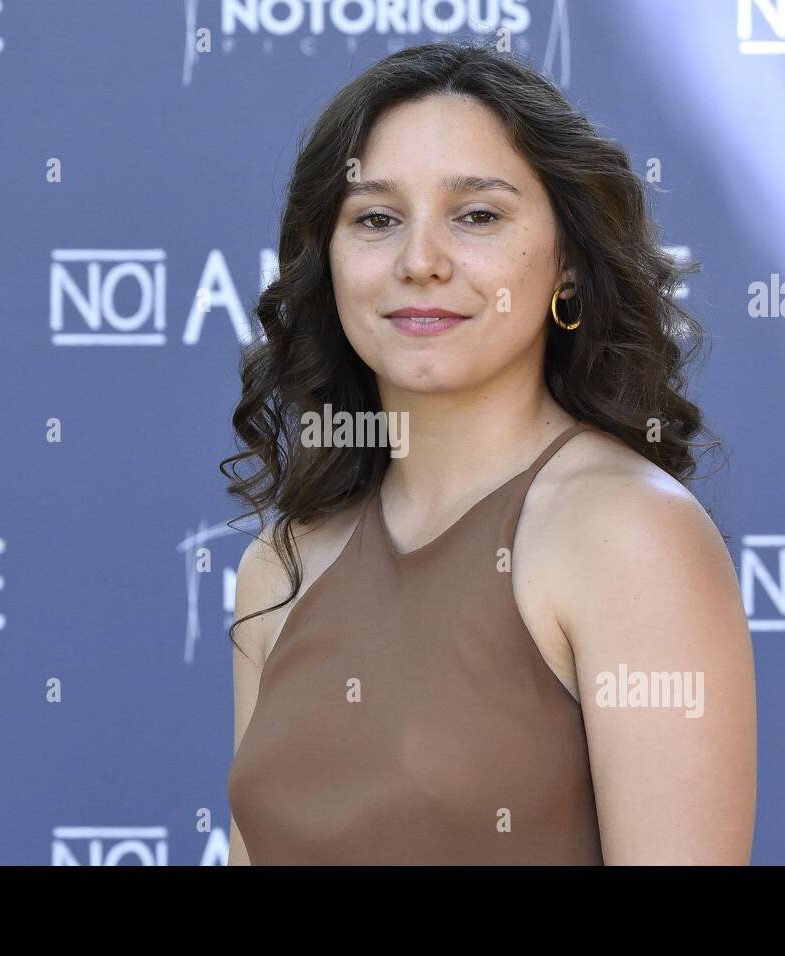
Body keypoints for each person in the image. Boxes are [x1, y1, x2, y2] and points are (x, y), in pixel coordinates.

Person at [220, 39, 756, 865]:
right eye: (375, 218)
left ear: (567, 268)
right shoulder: (283, 560)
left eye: (477, 215)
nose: (420, 262)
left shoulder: (627, 536)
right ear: (327, 263)